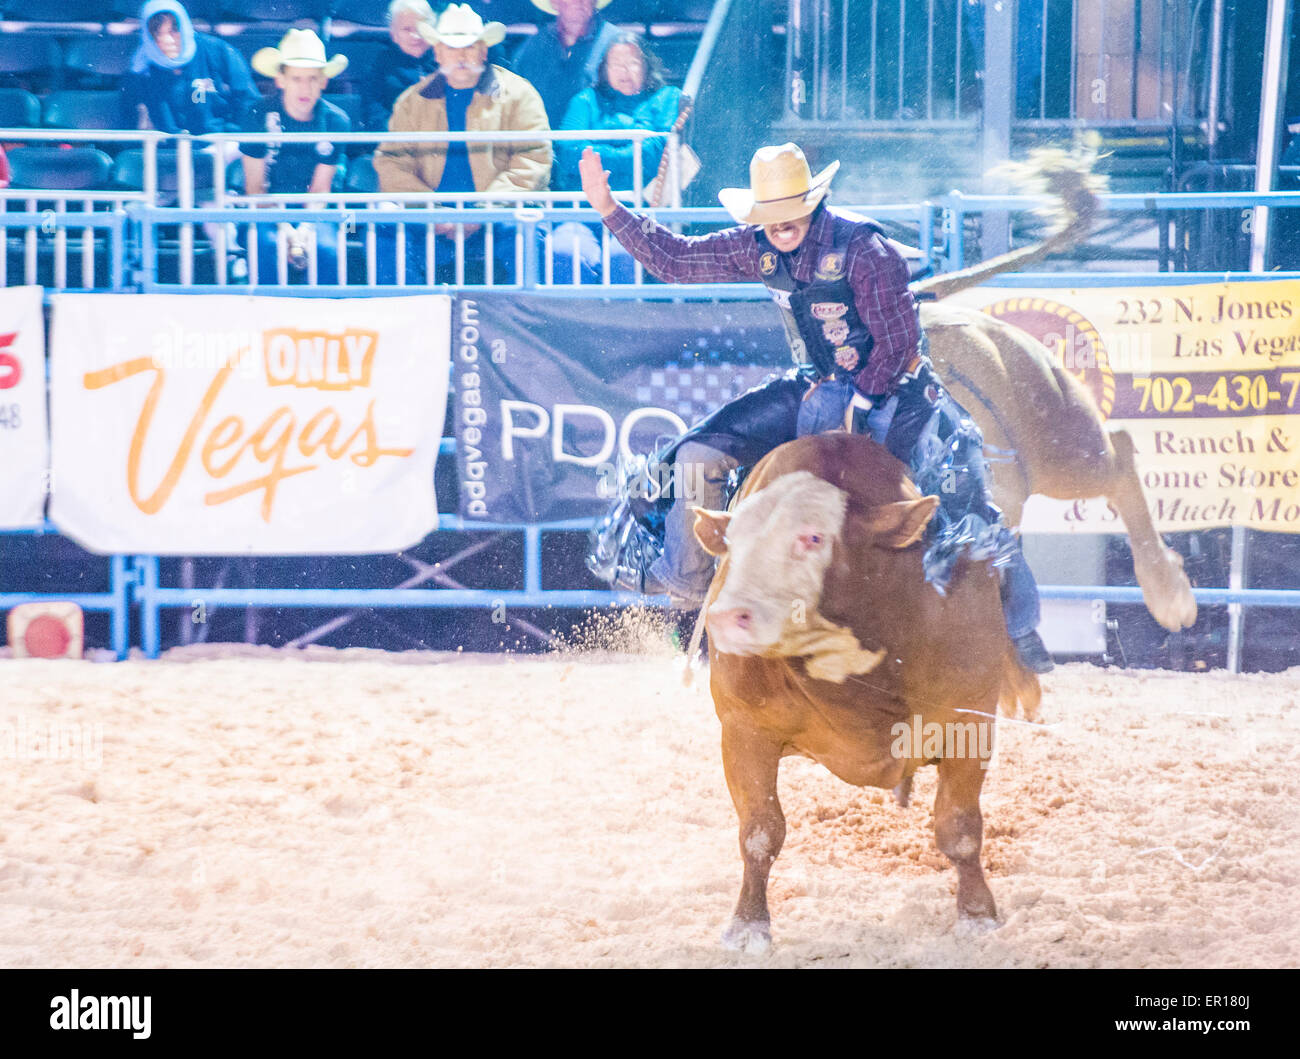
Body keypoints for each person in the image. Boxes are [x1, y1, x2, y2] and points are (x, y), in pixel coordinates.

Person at [580, 141, 1055, 674]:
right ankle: (687, 587)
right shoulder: (756, 244)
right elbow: (678, 260)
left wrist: (858, 400)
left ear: (812, 204)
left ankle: (1016, 629)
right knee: (696, 455)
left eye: (789, 215)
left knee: (964, 499)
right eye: (769, 218)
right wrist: (608, 208)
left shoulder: (866, 250)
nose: (779, 229)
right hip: (815, 384)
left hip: (898, 392)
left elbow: (898, 343)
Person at [373, 3, 550, 284]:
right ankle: (405, 317)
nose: (461, 56)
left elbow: (533, 159)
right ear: (438, 52)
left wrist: (483, 212)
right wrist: (433, 212)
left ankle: (522, 323)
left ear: (483, 50)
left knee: (528, 230)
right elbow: (391, 163)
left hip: (500, 215)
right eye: (452, 47)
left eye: (469, 47)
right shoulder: (411, 101)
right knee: (383, 228)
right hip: (430, 218)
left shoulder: (520, 95)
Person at [549, 32, 682, 283]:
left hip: (642, 215)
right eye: (616, 63)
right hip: (583, 213)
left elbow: (655, 156)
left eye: (633, 62)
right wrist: (631, 145)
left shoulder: (667, 97)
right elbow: (568, 152)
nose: (625, 70)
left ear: (647, 66)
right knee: (564, 252)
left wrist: (597, 147)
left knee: (623, 256)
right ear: (603, 68)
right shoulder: (585, 100)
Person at [240, 30, 351, 287]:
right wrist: (286, 230)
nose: (305, 88)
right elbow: (255, 188)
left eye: (312, 79)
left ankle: (326, 322)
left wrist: (302, 230)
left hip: (314, 212)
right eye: (297, 78)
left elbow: (321, 188)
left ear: (323, 81)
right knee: (266, 245)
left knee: (326, 249)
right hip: (267, 209)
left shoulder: (337, 121)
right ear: (281, 80)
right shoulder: (256, 114)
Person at [121, 0, 258, 137]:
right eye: (157, 33)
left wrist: (233, 137)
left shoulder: (218, 50)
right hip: (167, 149)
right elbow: (129, 114)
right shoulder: (140, 67)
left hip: (220, 144)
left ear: (185, 26)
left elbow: (247, 99)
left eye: (174, 30)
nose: (167, 40)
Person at [513, 0, 620, 128]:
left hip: (597, 144)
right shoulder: (532, 46)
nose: (579, 1)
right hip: (540, 143)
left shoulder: (617, 43)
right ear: (554, 3)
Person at [359, 0, 439, 132]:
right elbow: (373, 115)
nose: (415, 36)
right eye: (407, 29)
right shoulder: (379, 66)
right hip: (395, 143)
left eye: (421, 28)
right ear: (394, 34)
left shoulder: (445, 61)